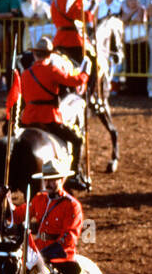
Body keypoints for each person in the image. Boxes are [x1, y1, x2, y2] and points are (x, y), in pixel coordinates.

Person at [7, 159, 91, 274]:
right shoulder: (39, 199)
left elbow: (68, 239)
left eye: (53, 179)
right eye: (47, 180)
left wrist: (43, 255)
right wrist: (5, 201)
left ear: (62, 180)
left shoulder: (72, 206)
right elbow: (17, 216)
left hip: (61, 259)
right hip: (35, 256)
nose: (49, 183)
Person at [7, 36, 90, 190]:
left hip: (28, 119)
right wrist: (86, 71)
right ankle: (74, 176)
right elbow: (75, 81)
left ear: (35, 54)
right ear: (50, 55)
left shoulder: (25, 74)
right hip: (49, 118)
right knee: (77, 140)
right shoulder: (52, 70)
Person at [50, 0, 88, 64]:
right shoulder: (74, 2)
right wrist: (92, 8)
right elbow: (84, 17)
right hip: (74, 41)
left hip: (59, 40)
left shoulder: (54, 3)